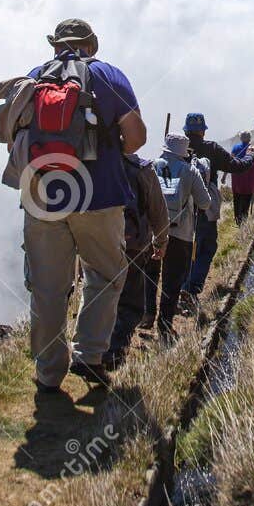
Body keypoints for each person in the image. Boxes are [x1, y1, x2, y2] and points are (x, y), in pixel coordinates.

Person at [0, 17, 146, 394]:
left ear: (55, 46)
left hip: (42, 194)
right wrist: (112, 151)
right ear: (91, 45)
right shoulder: (109, 76)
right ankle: (90, 355)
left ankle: (49, 372)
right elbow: (137, 137)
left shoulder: (33, 78)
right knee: (105, 273)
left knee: (48, 287)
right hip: (99, 196)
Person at [103, 152, 168, 369]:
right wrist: (161, 241)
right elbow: (158, 211)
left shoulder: (94, 163)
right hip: (134, 245)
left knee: (100, 296)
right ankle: (114, 353)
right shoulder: (142, 169)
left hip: (97, 244)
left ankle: (91, 350)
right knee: (130, 301)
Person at [181, 112, 254, 299]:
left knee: (182, 247)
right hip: (204, 205)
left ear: (186, 130)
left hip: (178, 207)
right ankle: (191, 288)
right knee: (206, 246)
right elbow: (237, 166)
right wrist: (251, 156)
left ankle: (178, 287)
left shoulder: (175, 147)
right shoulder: (211, 148)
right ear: (203, 132)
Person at [153, 131, 210, 341]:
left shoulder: (152, 166)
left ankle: (146, 315)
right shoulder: (190, 171)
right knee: (172, 280)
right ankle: (165, 325)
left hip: (153, 231)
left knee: (149, 276)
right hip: (180, 233)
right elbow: (205, 203)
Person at [229, 132, 254, 225]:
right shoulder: (253, 149)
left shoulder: (235, 147)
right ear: (249, 138)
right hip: (249, 176)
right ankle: (244, 218)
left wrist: (225, 176)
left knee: (237, 197)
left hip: (237, 176)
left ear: (240, 138)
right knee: (247, 196)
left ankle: (237, 219)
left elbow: (230, 161)